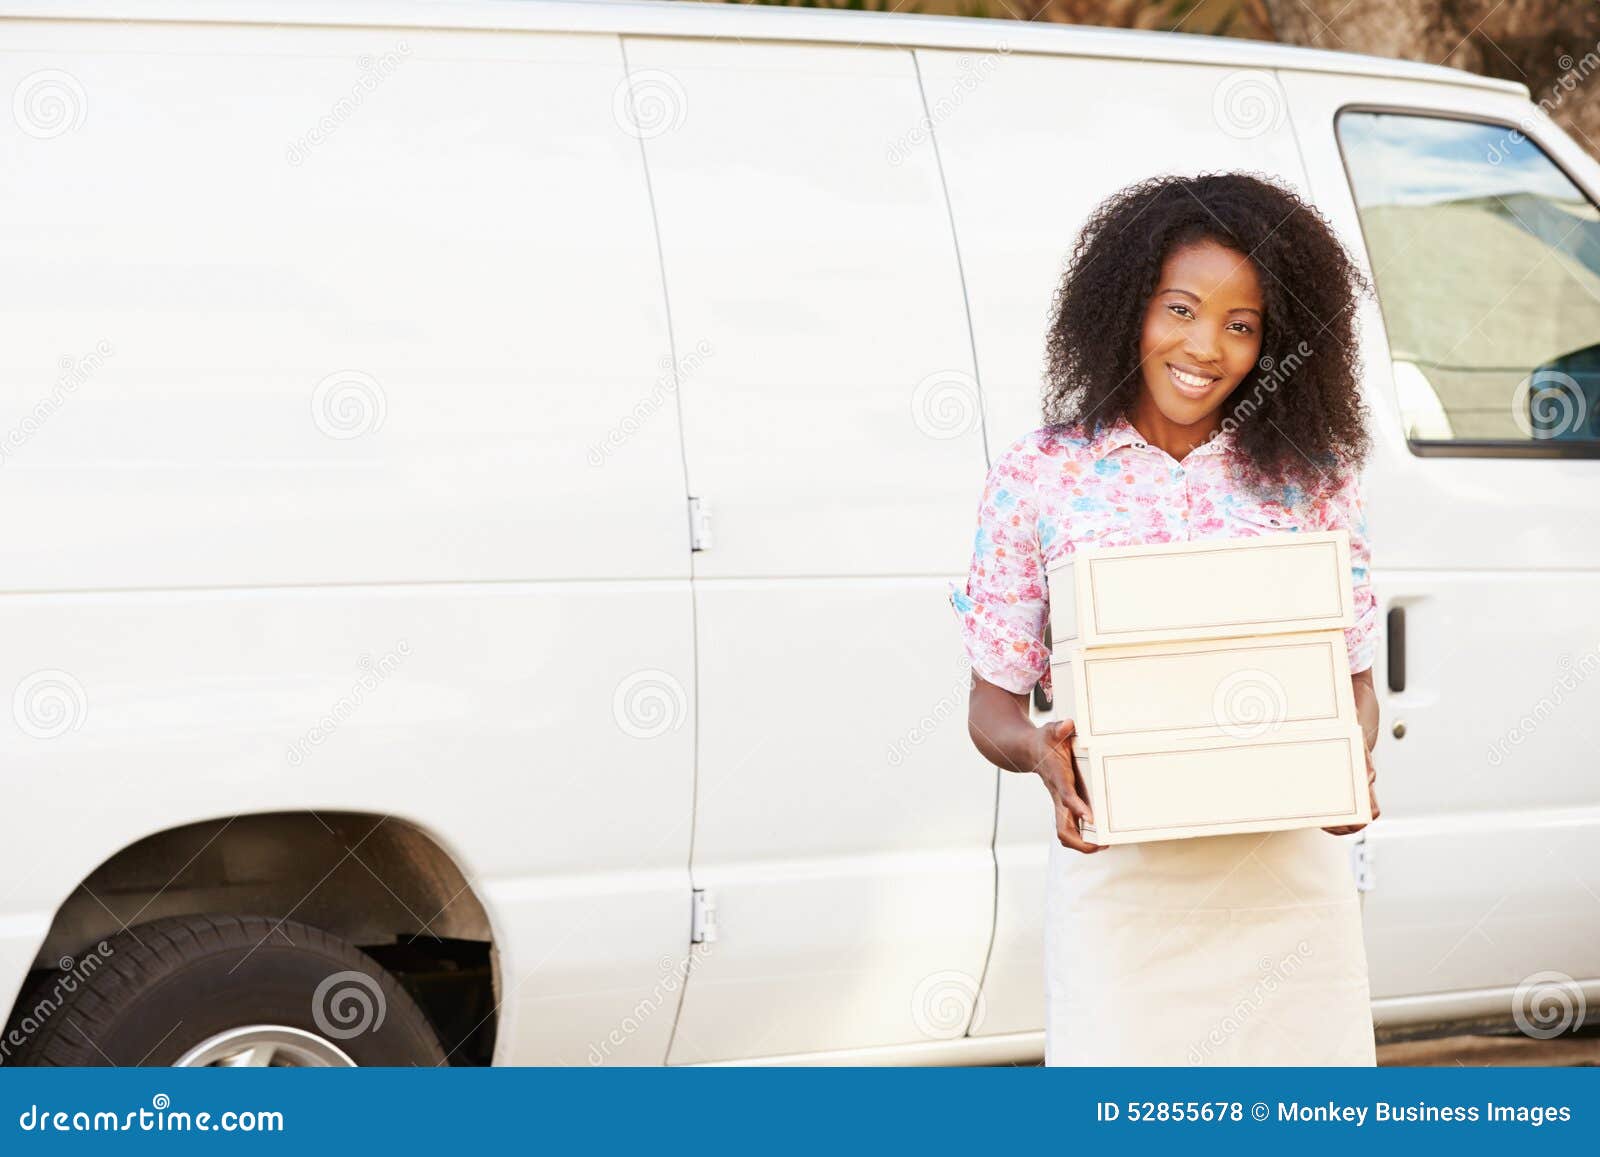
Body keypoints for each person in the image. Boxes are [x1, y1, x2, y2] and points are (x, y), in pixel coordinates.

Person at [949, 171, 1382, 1066]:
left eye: (1242, 324)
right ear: (1125, 310)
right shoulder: (1042, 475)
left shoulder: (1314, 473)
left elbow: (1354, 686)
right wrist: (1040, 752)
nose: (1206, 346)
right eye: (1179, 309)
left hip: (1287, 893)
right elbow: (991, 707)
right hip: (1122, 892)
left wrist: (1350, 768)